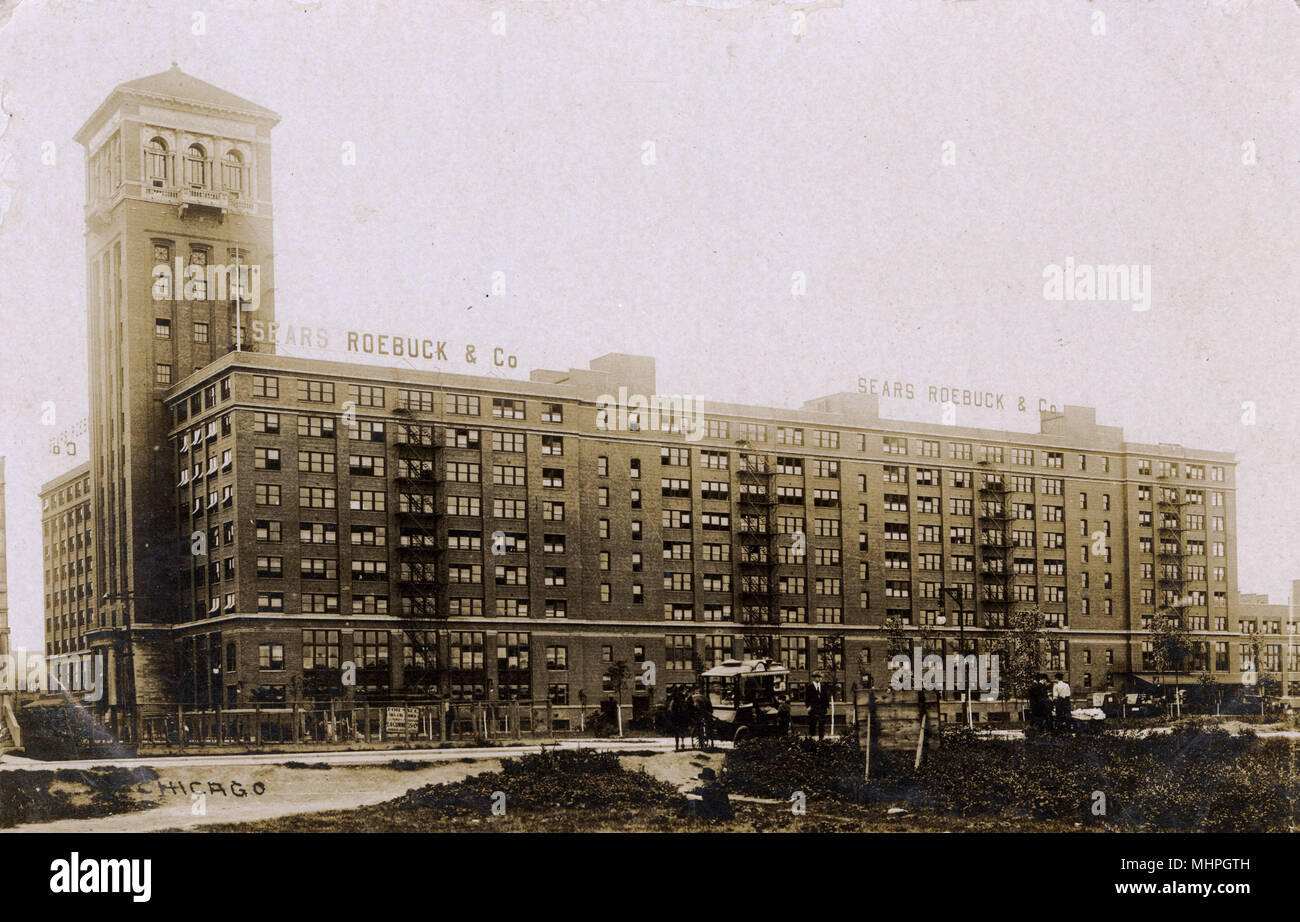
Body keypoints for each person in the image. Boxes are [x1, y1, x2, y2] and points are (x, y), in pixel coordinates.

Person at [805, 672, 832, 740]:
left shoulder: (823, 687)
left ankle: (821, 738)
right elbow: (807, 698)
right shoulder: (809, 687)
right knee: (813, 723)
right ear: (814, 678)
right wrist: (808, 706)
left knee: (822, 723)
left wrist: (827, 706)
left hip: (822, 708)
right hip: (813, 708)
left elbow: (826, 697)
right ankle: (812, 737)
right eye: (818, 677)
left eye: (820, 677)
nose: (819, 678)